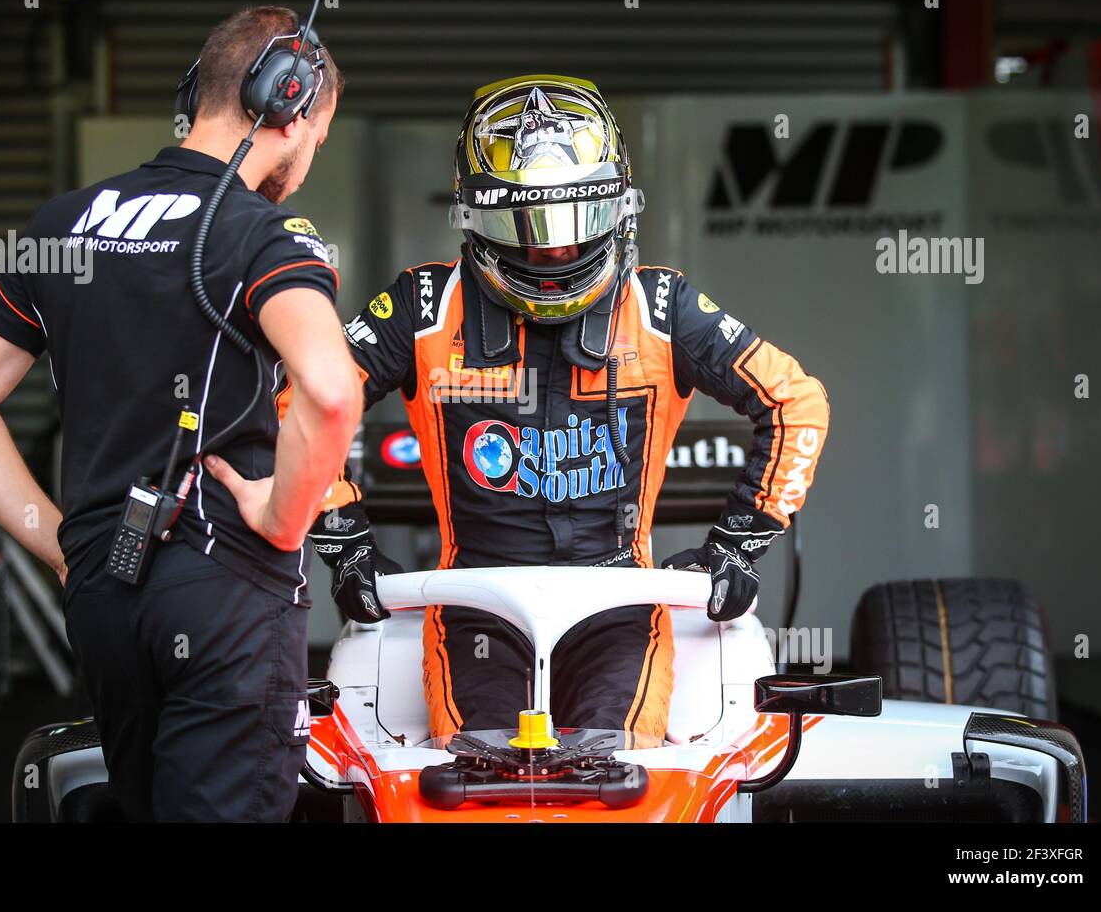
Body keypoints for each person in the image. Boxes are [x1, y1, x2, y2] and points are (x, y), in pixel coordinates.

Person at [0, 7, 363, 821]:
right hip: (226, 594)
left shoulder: (61, 225)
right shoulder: (264, 235)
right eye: (318, 136)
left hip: (103, 596)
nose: (306, 162)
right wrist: (282, 517)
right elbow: (333, 391)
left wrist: (59, 543)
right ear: (289, 104)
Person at [297, 75, 829, 747]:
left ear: (617, 207)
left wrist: (739, 545)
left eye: (575, 221)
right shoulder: (425, 305)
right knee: (479, 771)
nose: (553, 250)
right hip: (474, 609)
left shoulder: (659, 308)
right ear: (476, 217)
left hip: (621, 607)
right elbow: (301, 398)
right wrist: (344, 543)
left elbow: (795, 402)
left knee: (622, 770)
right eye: (524, 226)